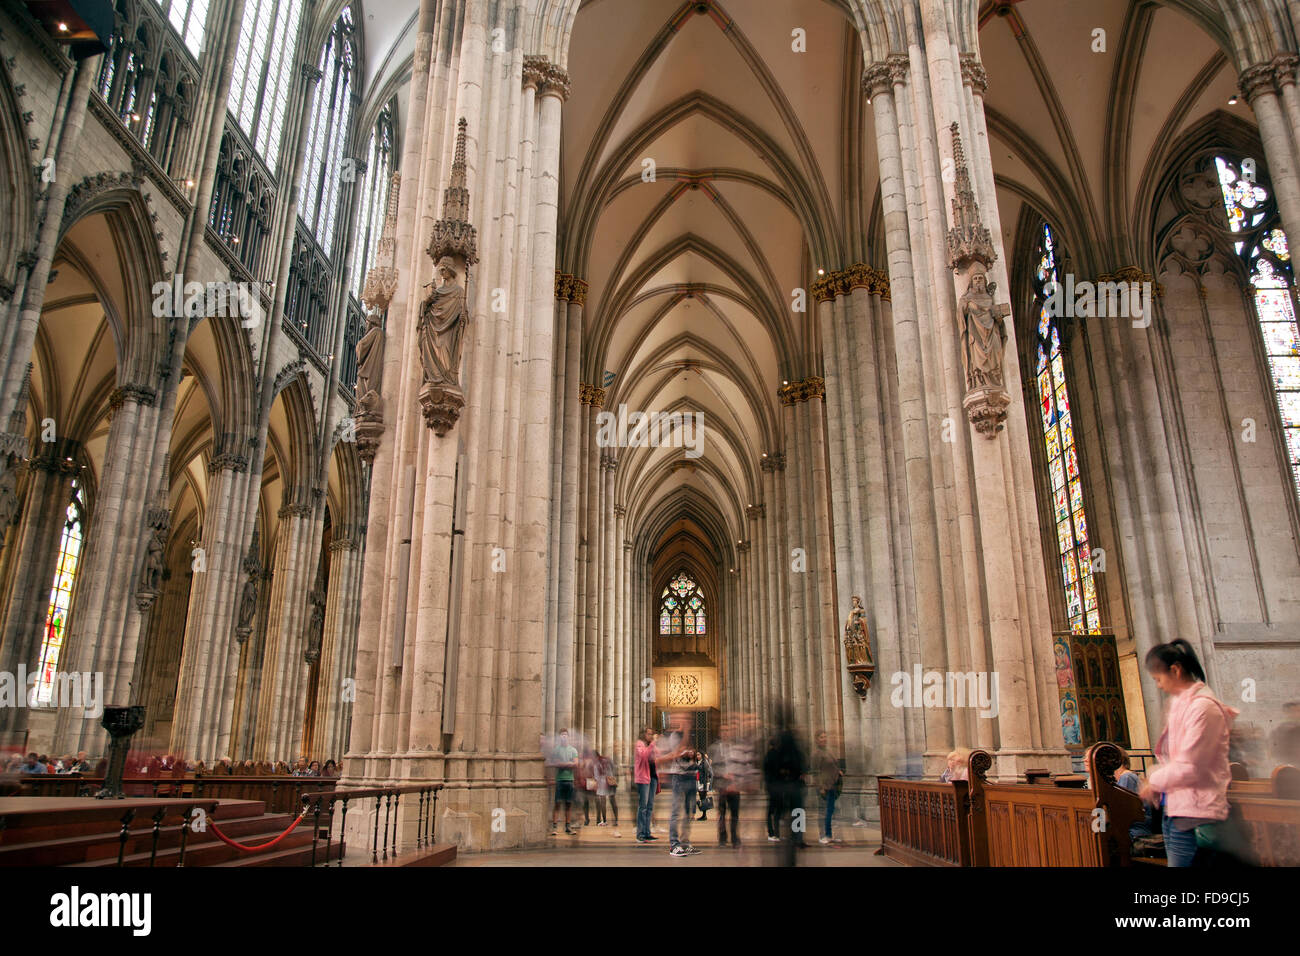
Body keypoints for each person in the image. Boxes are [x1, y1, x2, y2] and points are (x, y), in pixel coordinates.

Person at [1139, 639, 1238, 867]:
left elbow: (1190, 767)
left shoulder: (1204, 708)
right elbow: (1173, 759)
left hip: (1196, 813)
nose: (1159, 686)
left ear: (1175, 670)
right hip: (1176, 808)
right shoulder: (1181, 705)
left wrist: (1153, 780)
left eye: (1158, 679)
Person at [658, 713, 702, 856]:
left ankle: (685, 842)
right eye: (685, 720)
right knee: (676, 811)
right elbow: (678, 752)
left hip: (690, 776)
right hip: (679, 777)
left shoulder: (689, 737)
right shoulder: (674, 736)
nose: (687, 723)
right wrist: (687, 733)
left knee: (689, 812)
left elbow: (691, 753)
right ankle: (674, 844)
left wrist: (692, 753)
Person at [711, 716, 755, 848]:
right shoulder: (714, 748)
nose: (725, 733)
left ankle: (735, 837)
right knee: (722, 814)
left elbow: (744, 764)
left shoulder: (738, 747)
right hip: (721, 786)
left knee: (735, 814)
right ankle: (722, 838)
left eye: (727, 730)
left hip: (735, 786)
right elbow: (711, 767)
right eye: (723, 731)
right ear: (719, 733)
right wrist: (723, 774)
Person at [1111, 748, 1154, 843]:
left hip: (1135, 831)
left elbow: (1121, 810)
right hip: (1128, 828)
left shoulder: (1127, 777)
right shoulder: (1122, 778)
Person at [812, 730, 843, 844]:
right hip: (824, 786)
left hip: (832, 785)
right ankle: (824, 834)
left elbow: (833, 765)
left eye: (825, 737)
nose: (824, 739)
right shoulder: (816, 754)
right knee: (824, 811)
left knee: (831, 810)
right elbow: (816, 772)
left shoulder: (829, 751)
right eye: (821, 737)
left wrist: (838, 771)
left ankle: (830, 834)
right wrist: (820, 787)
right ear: (817, 739)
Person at [550, 729, 579, 835]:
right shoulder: (556, 750)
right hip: (560, 779)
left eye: (566, 735)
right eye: (562, 735)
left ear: (568, 737)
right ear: (559, 737)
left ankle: (568, 826)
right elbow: (555, 763)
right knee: (557, 804)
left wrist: (563, 764)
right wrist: (569, 763)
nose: (564, 737)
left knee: (568, 804)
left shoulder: (573, 750)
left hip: (570, 780)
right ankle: (554, 827)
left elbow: (576, 764)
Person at [634, 727, 658, 843]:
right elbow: (644, 756)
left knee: (649, 807)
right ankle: (640, 833)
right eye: (649, 734)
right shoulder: (639, 744)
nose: (650, 736)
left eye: (652, 734)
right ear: (644, 734)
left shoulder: (650, 745)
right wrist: (653, 744)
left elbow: (656, 756)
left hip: (652, 777)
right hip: (643, 778)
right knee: (643, 807)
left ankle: (647, 832)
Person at [695, 749, 713, 821]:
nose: (697, 756)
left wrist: (705, 785)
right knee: (702, 798)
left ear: (702, 755)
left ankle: (704, 815)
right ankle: (703, 815)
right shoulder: (698, 762)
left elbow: (706, 774)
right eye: (696, 755)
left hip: (704, 783)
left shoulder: (704, 762)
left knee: (703, 799)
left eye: (699, 754)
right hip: (700, 782)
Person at [594, 751, 610, 825]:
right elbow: (608, 772)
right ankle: (604, 820)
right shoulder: (605, 762)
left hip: (599, 784)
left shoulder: (596, 764)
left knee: (599, 803)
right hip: (605, 783)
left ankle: (599, 820)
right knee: (603, 803)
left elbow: (596, 776)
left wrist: (595, 785)